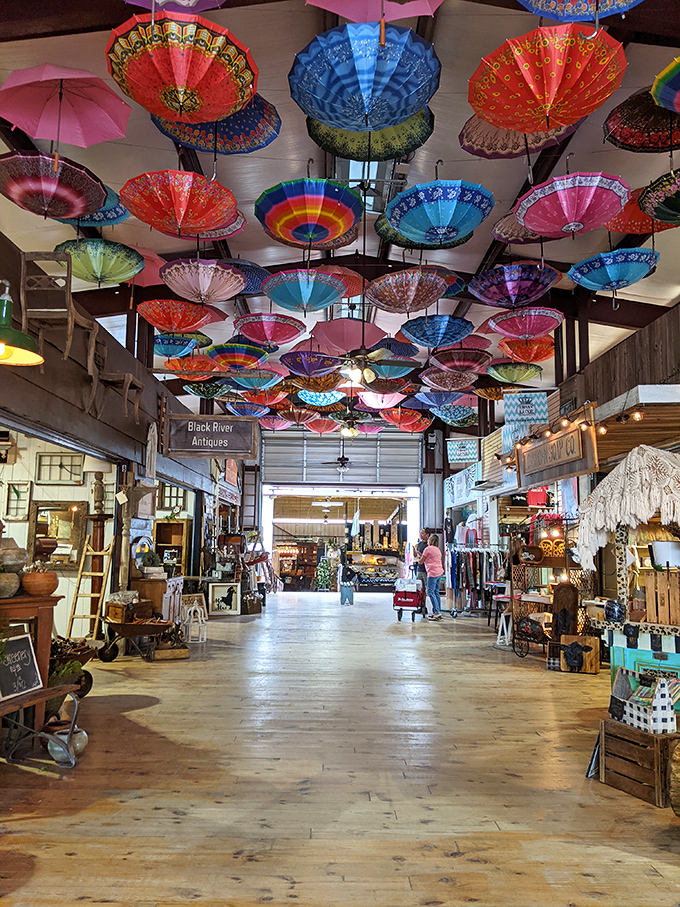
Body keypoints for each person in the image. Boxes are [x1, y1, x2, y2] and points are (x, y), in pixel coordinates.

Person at [416, 533, 446, 622]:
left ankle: (436, 613)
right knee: (436, 592)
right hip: (439, 572)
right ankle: (438, 611)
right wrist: (422, 555)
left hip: (432, 573)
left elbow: (421, 561)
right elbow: (429, 558)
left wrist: (417, 558)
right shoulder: (437, 549)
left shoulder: (428, 549)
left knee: (430, 592)